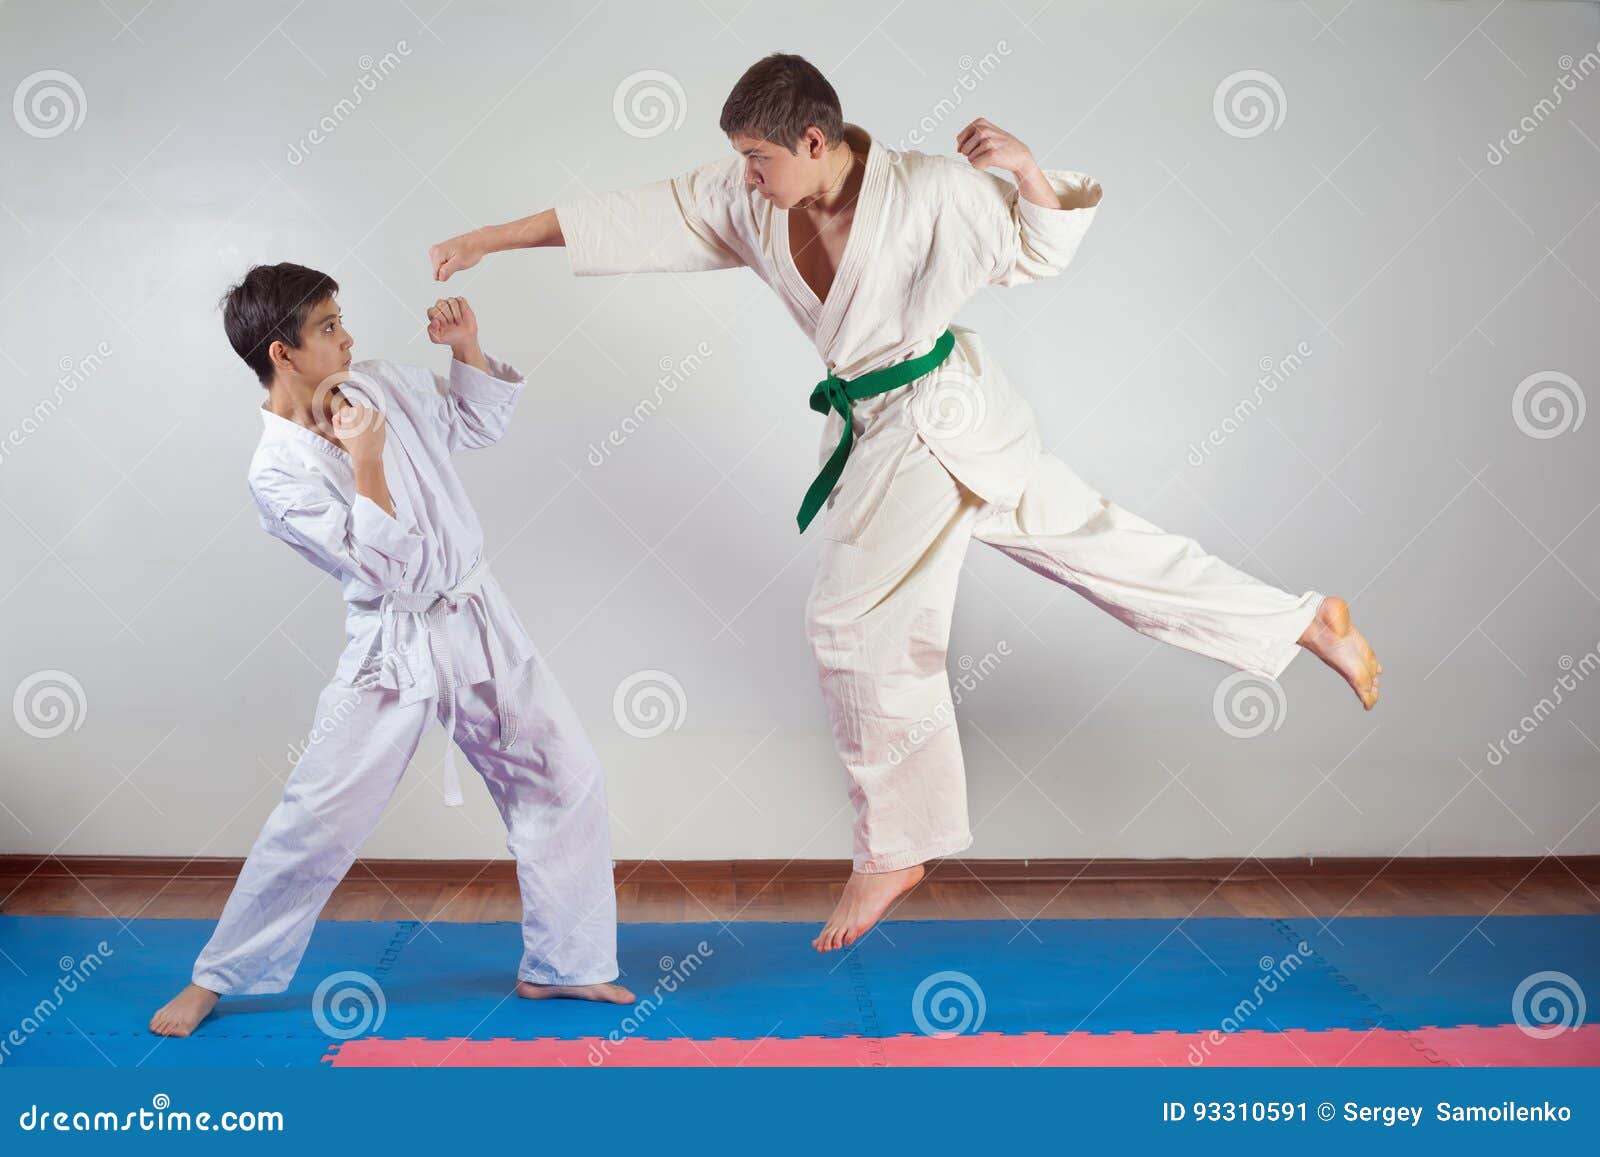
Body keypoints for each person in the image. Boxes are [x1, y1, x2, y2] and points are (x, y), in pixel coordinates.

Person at [425, 54, 1382, 955]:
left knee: (851, 621)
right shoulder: (748, 200)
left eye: (759, 159)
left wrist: (1031, 170)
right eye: (740, 162)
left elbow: (1036, 253)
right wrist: (488, 239)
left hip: (932, 418)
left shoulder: (930, 192)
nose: (745, 178)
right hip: (907, 423)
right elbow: (636, 214)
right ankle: (1306, 621)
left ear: (812, 142)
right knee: (1102, 545)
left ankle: (894, 847)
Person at [150, 264, 633, 1037]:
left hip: (478, 616)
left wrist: (466, 348)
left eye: (342, 321)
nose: (349, 338)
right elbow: (382, 566)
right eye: (329, 328)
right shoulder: (276, 471)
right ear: (282, 353)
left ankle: (564, 964)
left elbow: (475, 426)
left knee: (564, 774)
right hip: (393, 642)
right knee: (318, 816)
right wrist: (366, 460)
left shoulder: (376, 386)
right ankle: (215, 978)